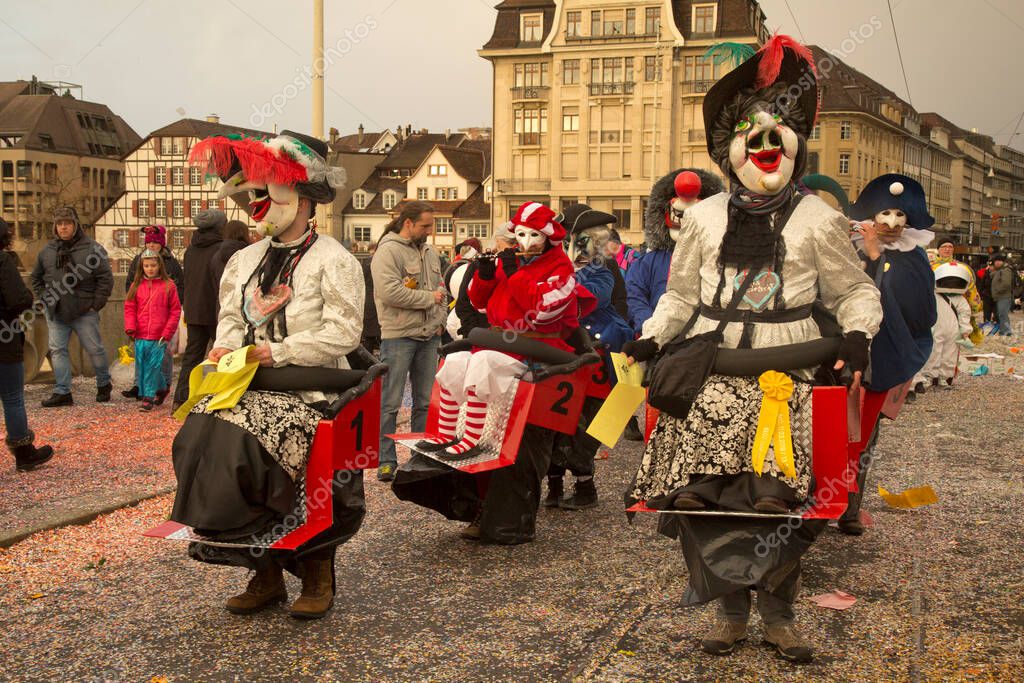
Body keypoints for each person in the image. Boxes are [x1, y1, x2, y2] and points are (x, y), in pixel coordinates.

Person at [622, 35, 883, 663]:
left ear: (795, 145)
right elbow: (681, 295)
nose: (766, 146)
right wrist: (654, 334)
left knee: (779, 504)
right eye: (751, 135)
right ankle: (731, 614)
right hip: (710, 363)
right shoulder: (705, 218)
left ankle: (781, 618)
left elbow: (854, 292)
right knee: (707, 499)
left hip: (787, 366)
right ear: (729, 151)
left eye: (778, 134)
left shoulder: (818, 219)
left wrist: (856, 334)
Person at [171, 129, 363, 620]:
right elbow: (231, 320)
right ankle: (265, 571)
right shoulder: (243, 260)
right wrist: (223, 349)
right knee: (199, 433)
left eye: (267, 192)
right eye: (251, 194)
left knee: (250, 446)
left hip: (314, 388)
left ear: (302, 197)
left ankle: (318, 571)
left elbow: (343, 332)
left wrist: (279, 351)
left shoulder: (334, 260)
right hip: (247, 385)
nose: (256, 203)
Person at [838, 175, 937, 535]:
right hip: (840, 357)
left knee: (863, 434)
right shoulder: (845, 250)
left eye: (900, 214)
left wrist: (879, 259)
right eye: (885, 213)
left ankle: (849, 507)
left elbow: (922, 314)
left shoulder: (914, 259)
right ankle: (825, 501)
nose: (892, 223)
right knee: (831, 430)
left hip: (882, 359)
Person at [546, 203, 633, 509]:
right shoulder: (555, 264)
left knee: (587, 423)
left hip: (596, 354)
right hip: (561, 353)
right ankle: (553, 485)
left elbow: (594, 299)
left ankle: (585, 487)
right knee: (554, 419)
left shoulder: (601, 267)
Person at [370, 201, 446, 482]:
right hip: (398, 336)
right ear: (408, 223)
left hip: (428, 337)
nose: (431, 230)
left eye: (432, 224)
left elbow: (442, 289)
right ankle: (386, 460)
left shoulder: (430, 251)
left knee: (425, 401)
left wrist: (440, 320)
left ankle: (420, 457)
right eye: (425, 225)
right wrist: (430, 300)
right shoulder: (387, 251)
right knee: (389, 403)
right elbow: (389, 293)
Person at [30, 206, 114, 406]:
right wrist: (45, 297)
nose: (63, 227)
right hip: (56, 310)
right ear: (55, 227)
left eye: (67, 223)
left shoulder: (93, 249)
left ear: (75, 225)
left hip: (85, 310)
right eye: (59, 224)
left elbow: (105, 279)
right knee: (58, 350)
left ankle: (104, 383)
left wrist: (96, 305)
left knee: (95, 350)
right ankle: (62, 392)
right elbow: (36, 279)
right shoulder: (47, 251)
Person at [629, 169, 724, 331]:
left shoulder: (720, 259)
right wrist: (650, 325)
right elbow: (634, 294)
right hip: (658, 340)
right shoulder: (649, 261)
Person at [0, 218, 54, 470]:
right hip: (5, 338)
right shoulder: (3, 261)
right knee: (12, 397)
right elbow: (18, 299)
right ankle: (24, 453)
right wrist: (28, 298)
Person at [122, 225, 184, 402]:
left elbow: (179, 288)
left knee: (163, 357)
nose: (152, 246)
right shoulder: (138, 261)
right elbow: (130, 288)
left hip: (163, 320)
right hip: (143, 319)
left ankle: (162, 386)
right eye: (149, 243)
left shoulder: (170, 263)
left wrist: (174, 310)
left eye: (155, 243)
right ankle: (141, 387)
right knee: (142, 358)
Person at [172, 210, 225, 410]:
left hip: (194, 310)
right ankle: (221, 398)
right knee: (224, 356)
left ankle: (181, 399)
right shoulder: (221, 249)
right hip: (215, 311)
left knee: (192, 357)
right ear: (220, 227)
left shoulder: (191, 250)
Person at [913, 260, 972, 392]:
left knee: (949, 354)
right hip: (936, 328)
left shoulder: (960, 299)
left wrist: (965, 329)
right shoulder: (934, 296)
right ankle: (929, 376)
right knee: (934, 352)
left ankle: (944, 377)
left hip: (952, 330)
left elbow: (965, 314)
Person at [209, 219, 251, 304]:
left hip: (222, 305)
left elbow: (214, 285)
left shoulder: (216, 256)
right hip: (244, 306)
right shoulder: (248, 254)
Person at [359, 242, 381, 354]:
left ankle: (367, 365)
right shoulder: (382, 262)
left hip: (367, 301)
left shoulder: (365, 263)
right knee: (381, 337)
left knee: (368, 338)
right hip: (379, 299)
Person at [990, 253, 1015, 336]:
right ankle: (1003, 330)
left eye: (999, 261)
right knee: (1001, 314)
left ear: (1002, 261)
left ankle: (1007, 331)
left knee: (1003, 314)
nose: (997, 262)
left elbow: (1006, 284)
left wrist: (997, 290)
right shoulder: (999, 271)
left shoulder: (1005, 270)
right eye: (996, 261)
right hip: (1000, 297)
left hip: (1004, 296)